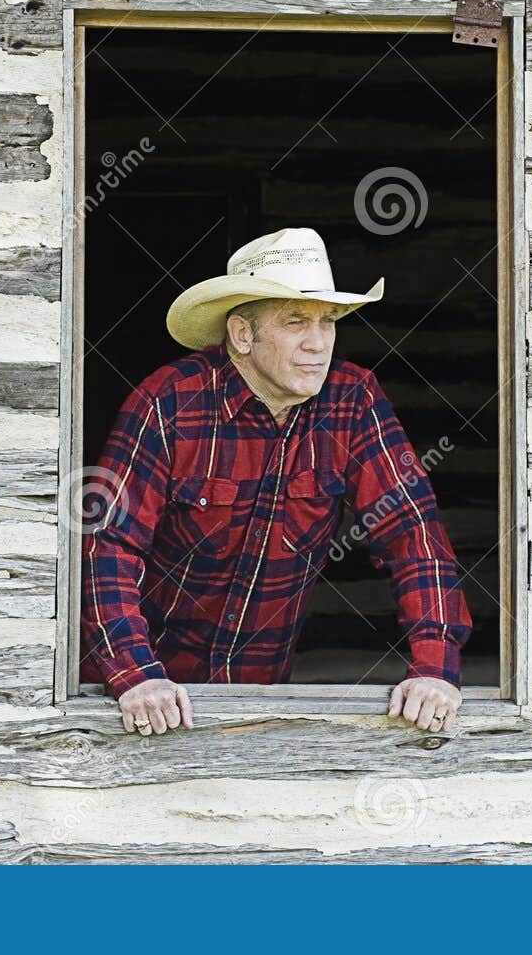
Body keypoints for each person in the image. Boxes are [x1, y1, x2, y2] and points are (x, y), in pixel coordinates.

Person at [79, 226, 472, 736]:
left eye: (326, 322)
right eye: (294, 322)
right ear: (242, 335)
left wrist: (435, 665)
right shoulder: (169, 403)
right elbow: (107, 545)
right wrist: (135, 673)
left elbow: (412, 534)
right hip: (138, 695)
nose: (317, 343)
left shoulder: (351, 399)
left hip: (258, 697)